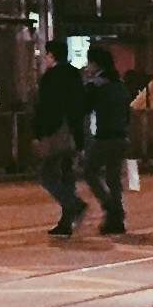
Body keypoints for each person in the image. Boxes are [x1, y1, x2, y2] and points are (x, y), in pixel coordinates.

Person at [30, 47, 88, 237]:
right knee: (67, 175)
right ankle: (65, 220)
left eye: (47, 54)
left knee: (47, 174)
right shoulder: (74, 75)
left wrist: (38, 133)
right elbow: (79, 107)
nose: (45, 58)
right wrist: (80, 137)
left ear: (52, 56)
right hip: (72, 131)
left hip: (55, 131)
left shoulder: (50, 78)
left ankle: (73, 204)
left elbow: (44, 107)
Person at [79, 46, 132, 236]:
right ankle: (116, 220)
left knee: (89, 171)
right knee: (113, 177)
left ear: (95, 64)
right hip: (121, 137)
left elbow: (82, 107)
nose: (87, 66)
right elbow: (128, 112)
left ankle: (110, 206)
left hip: (105, 137)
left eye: (90, 63)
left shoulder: (96, 85)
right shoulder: (119, 84)